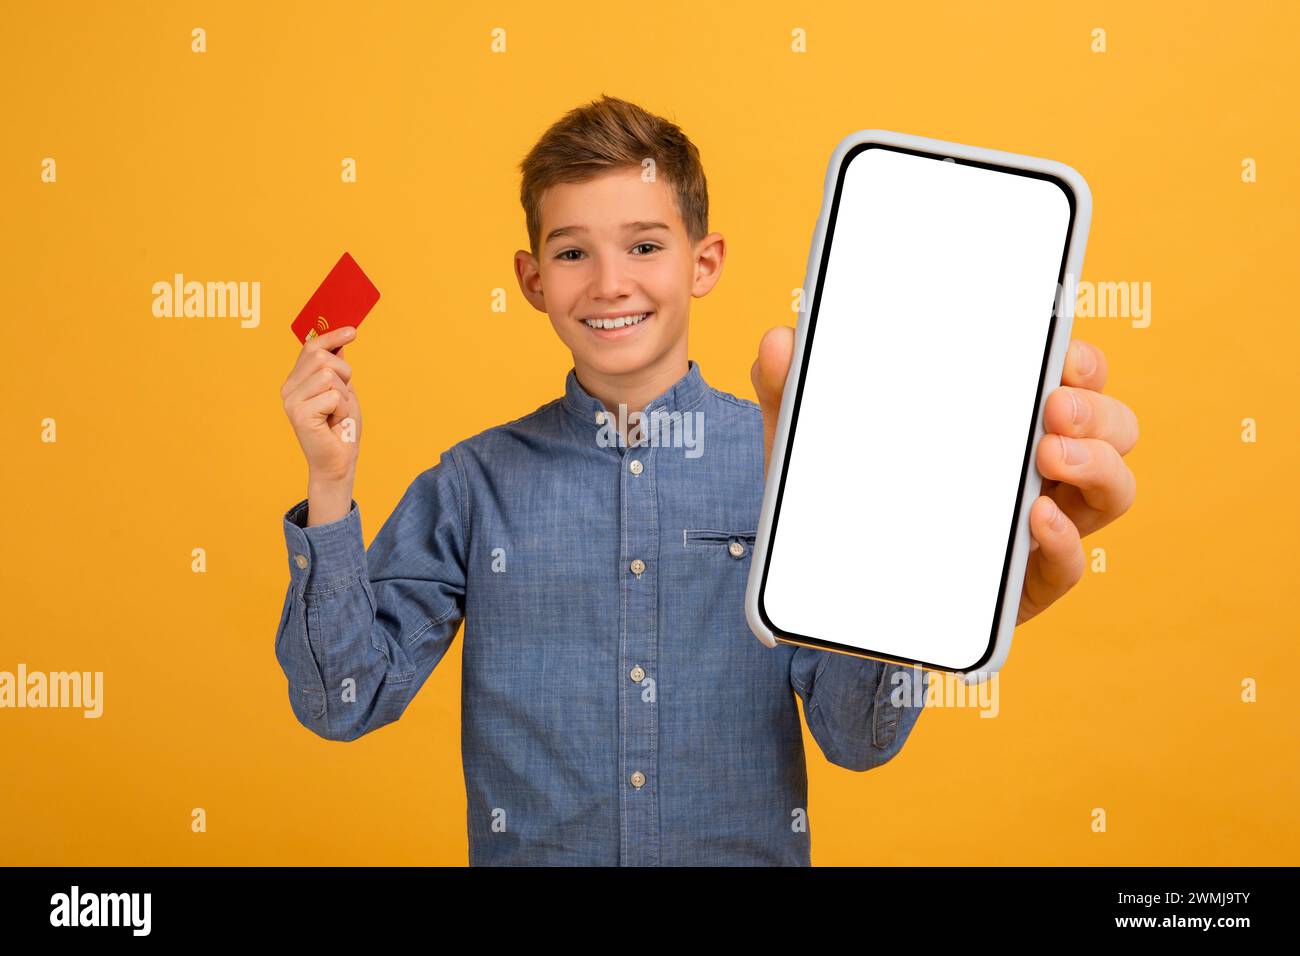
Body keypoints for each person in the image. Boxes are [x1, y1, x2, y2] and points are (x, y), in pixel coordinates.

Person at [274, 95, 1139, 865]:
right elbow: (343, 703)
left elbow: (857, 737)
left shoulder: (789, 461)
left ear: (704, 263)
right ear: (532, 281)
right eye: (572, 253)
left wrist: (917, 570)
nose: (610, 283)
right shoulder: (472, 484)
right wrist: (331, 482)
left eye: (645, 245)